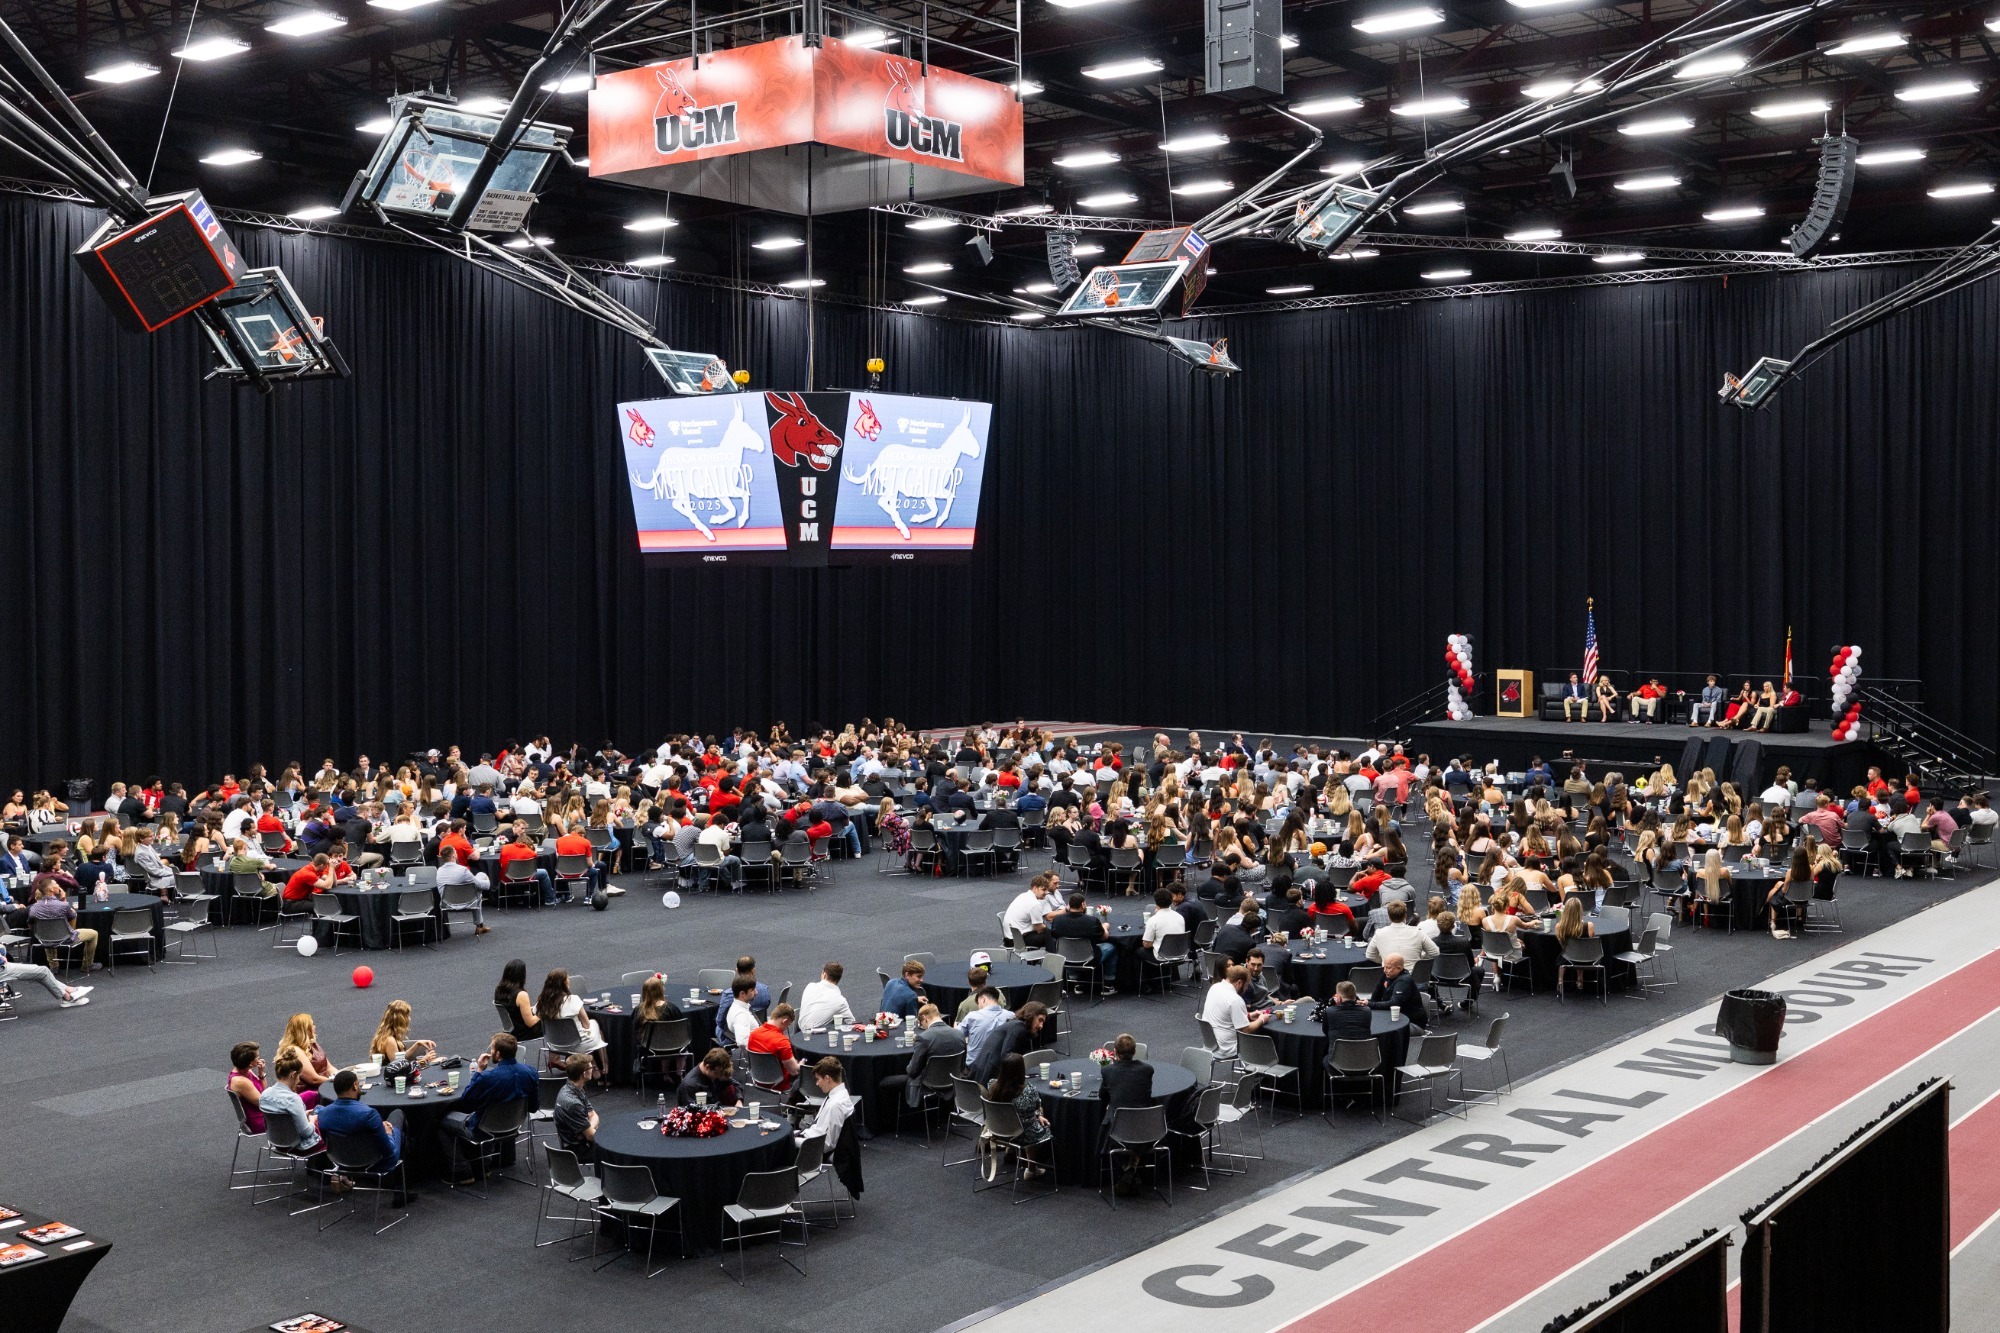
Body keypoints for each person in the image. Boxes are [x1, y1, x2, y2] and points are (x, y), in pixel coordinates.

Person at [440, 1031, 539, 1176]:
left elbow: (466, 1102)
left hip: (486, 1129)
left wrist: (479, 1071)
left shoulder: (488, 1078)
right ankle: (484, 1165)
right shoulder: (531, 1072)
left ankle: (461, 1170)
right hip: (515, 1125)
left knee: (442, 1122)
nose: (490, 1052)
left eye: (492, 1049)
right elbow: (534, 1106)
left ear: (498, 1054)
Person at [314, 1069, 403, 1185]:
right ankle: (401, 1189)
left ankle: (344, 1175)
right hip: (373, 1163)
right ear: (355, 1086)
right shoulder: (370, 1115)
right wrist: (388, 1132)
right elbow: (388, 1152)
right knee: (397, 1116)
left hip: (339, 1161)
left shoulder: (323, 1114)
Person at [884, 1003, 965, 1107]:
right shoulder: (959, 1034)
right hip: (952, 1083)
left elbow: (912, 1071)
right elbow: (962, 1065)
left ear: (924, 1018)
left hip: (928, 1083)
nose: (923, 1027)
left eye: (921, 1024)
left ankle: (890, 1120)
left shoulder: (924, 1038)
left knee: (885, 1083)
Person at [536, 969, 609, 1083]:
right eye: (568, 979)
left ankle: (593, 1065)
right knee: (595, 1025)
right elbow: (586, 1024)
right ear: (564, 983)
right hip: (577, 1044)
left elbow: (536, 1013)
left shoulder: (542, 1002)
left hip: (554, 1045)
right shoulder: (573, 1000)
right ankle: (605, 1068)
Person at [986, 1052, 1051, 1178]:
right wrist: (1039, 1115)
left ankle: (1010, 1149)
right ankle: (1031, 1169)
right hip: (1021, 1135)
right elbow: (1036, 1108)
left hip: (996, 1131)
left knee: (1020, 1119)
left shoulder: (992, 1086)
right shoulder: (1028, 1091)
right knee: (1033, 1122)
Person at [258, 1050, 325, 1159]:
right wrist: (312, 1120)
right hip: (300, 1147)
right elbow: (306, 1132)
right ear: (294, 1075)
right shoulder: (293, 1099)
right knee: (324, 1116)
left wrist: (303, 1114)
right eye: (299, 1076)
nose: (298, 1080)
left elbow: (284, 1119)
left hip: (277, 1143)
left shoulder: (264, 1095)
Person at [1047, 891, 1118, 994]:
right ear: (1083, 904)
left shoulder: (1057, 920)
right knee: (1111, 947)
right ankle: (1108, 984)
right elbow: (1104, 937)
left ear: (1068, 906)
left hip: (1065, 958)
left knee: (1070, 948)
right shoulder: (1092, 921)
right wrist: (1105, 927)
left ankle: (1075, 980)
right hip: (1089, 959)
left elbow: (1054, 936)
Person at [28, 879, 99, 972]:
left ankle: (54, 966)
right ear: (51, 889)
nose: (58, 885)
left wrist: (38, 933)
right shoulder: (63, 905)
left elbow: (30, 923)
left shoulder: (34, 908)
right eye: (56, 884)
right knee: (94, 934)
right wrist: (64, 900)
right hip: (65, 937)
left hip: (44, 938)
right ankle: (87, 965)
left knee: (48, 933)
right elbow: (73, 916)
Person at [973, 999, 1049, 1083]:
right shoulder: (1018, 1028)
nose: (1041, 1026)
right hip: (991, 1081)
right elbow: (1007, 1056)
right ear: (1031, 1015)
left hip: (984, 1076)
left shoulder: (1015, 1025)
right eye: (1040, 1020)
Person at [1201, 964, 1267, 1059]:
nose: (1246, 988)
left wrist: (1249, 1015)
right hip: (1228, 1048)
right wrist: (1262, 1019)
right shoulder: (1235, 1000)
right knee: (1264, 1039)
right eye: (1247, 985)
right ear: (1239, 983)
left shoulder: (1214, 987)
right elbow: (1246, 1030)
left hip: (1211, 1044)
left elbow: (1225, 1015)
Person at [796, 1056, 856, 1147]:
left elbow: (827, 1145)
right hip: (812, 1134)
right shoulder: (839, 1094)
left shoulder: (835, 1105)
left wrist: (794, 1141)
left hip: (814, 1148)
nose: (817, 1083)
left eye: (818, 1079)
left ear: (827, 1078)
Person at [551, 1054, 600, 1162]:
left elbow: (593, 1114)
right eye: (591, 1067)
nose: (592, 1069)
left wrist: (589, 1127)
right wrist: (590, 1129)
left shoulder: (574, 1087)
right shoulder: (573, 1103)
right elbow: (590, 1136)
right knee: (616, 1152)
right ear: (584, 1073)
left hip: (583, 1141)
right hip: (578, 1149)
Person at [746, 1002, 802, 1092]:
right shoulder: (782, 1042)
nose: (785, 1028)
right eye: (788, 1025)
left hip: (757, 1078)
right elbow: (794, 1071)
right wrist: (801, 1064)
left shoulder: (753, 1034)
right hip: (779, 1083)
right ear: (784, 1021)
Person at [1365, 898, 1440, 965]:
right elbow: (1435, 952)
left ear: (1389, 917)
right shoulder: (1417, 932)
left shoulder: (1379, 933)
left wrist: (1385, 960)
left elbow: (1370, 955)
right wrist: (1421, 958)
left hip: (1390, 977)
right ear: (1405, 916)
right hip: (1414, 977)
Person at [958, 987, 1014, 1072]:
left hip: (974, 1068)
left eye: (978, 1003)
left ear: (983, 999)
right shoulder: (1011, 1016)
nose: (978, 1007)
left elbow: (958, 1036)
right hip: (1002, 1068)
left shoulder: (972, 1016)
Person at [1098, 1032, 1154, 1114]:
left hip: (1117, 1124)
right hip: (1144, 1122)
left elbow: (1102, 1096)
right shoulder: (1148, 1069)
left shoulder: (1107, 1071)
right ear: (1134, 1051)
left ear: (1115, 1052)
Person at [434, 855, 492, 935]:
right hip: (468, 902)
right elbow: (480, 885)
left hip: (447, 903)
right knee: (481, 879)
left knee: (478, 879)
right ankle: (479, 925)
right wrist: (488, 882)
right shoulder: (463, 871)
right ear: (453, 856)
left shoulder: (439, 871)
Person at [278, 1013, 335, 1091]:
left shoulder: (313, 1044)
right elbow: (314, 1079)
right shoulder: (295, 1050)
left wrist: (341, 1076)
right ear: (305, 1029)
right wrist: (337, 1082)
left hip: (324, 1087)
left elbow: (329, 1068)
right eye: (312, 1025)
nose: (314, 1027)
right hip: (309, 1094)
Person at [367, 999, 436, 1065]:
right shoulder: (390, 1040)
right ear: (402, 1019)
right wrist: (423, 1060)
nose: (409, 1018)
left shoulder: (388, 1035)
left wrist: (417, 1044)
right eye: (408, 1015)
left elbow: (399, 1058)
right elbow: (399, 1066)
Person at [499, 829, 557, 907]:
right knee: (543, 872)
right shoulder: (530, 853)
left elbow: (501, 863)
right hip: (525, 877)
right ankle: (550, 899)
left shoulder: (505, 848)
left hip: (507, 877)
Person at [1002, 873, 1058, 950]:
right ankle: (1053, 958)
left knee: (1043, 932)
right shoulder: (1035, 904)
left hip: (1009, 938)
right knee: (1050, 934)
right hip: (1017, 940)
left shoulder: (1023, 895)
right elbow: (1039, 929)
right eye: (1043, 890)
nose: (1045, 893)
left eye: (1046, 890)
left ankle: (1035, 960)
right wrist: (1051, 928)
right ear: (1034, 888)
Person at [1370, 954, 1426, 1029]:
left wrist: (1370, 1004)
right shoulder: (1387, 975)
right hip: (1393, 1019)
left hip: (1412, 1023)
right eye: (1384, 967)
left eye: (1388, 968)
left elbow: (1394, 1004)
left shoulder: (1404, 981)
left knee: (1379, 1029)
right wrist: (1368, 1004)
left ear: (1398, 968)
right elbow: (1375, 997)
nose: (1385, 970)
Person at [798, 962, 856, 1031]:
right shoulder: (841, 1001)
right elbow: (852, 1023)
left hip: (800, 1032)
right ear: (838, 979)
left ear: (824, 975)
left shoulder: (809, 986)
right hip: (818, 1037)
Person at [494, 959, 541, 1040]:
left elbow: (512, 1009)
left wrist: (529, 1009)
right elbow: (530, 1022)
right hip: (523, 1032)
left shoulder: (499, 990)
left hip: (511, 1030)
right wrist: (542, 1012)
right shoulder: (521, 994)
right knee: (552, 1023)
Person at [678, 1047, 743, 1107]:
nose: (719, 1077)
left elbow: (736, 1085)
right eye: (717, 1074)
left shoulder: (716, 1072)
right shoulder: (690, 1085)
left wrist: (738, 1101)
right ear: (707, 1067)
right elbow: (690, 1113)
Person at [723, 976, 761, 1048]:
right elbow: (742, 1042)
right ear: (742, 994)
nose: (756, 992)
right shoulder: (741, 1015)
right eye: (752, 990)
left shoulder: (739, 1007)